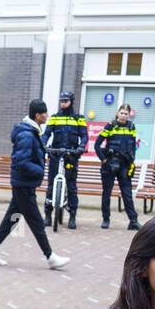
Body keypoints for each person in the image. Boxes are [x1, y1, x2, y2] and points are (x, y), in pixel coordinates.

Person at [0, 100, 71, 270]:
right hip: (23, 184)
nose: (47, 116)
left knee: (10, 220)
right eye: (45, 113)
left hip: (24, 184)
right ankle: (50, 256)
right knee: (36, 221)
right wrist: (39, 171)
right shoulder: (27, 134)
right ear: (38, 115)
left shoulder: (31, 132)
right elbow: (20, 161)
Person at [43, 90, 87, 230]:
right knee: (50, 184)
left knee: (72, 186)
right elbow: (47, 134)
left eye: (66, 101)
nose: (63, 103)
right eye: (61, 101)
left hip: (71, 155)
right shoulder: (55, 117)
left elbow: (84, 136)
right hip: (56, 154)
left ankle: (72, 216)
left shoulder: (79, 118)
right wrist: (43, 145)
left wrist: (80, 147)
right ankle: (48, 214)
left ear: (71, 101)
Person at [94, 104, 141, 231]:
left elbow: (133, 147)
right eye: (122, 113)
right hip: (110, 164)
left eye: (126, 113)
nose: (124, 115)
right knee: (107, 193)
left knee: (127, 194)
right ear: (117, 113)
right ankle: (106, 219)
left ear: (129, 115)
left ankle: (133, 221)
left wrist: (132, 161)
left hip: (125, 164)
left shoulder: (131, 127)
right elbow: (97, 145)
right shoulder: (110, 126)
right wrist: (103, 160)